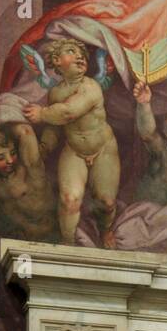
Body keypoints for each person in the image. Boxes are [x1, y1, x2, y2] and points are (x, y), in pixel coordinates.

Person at [24, 37, 120, 247]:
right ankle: (67, 243)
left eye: (82, 55)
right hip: (74, 151)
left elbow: (68, 112)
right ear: (57, 61)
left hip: (103, 149)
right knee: (69, 200)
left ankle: (106, 230)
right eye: (71, 51)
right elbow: (54, 128)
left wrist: (41, 114)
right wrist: (44, 148)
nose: (79, 57)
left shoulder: (91, 86)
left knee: (107, 202)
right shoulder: (55, 93)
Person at [0, 122, 57, 241]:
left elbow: (25, 131)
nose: (9, 160)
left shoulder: (28, 166)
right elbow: (14, 216)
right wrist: (34, 231)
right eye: (0, 158)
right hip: (30, 235)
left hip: (52, 226)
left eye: (13, 153)